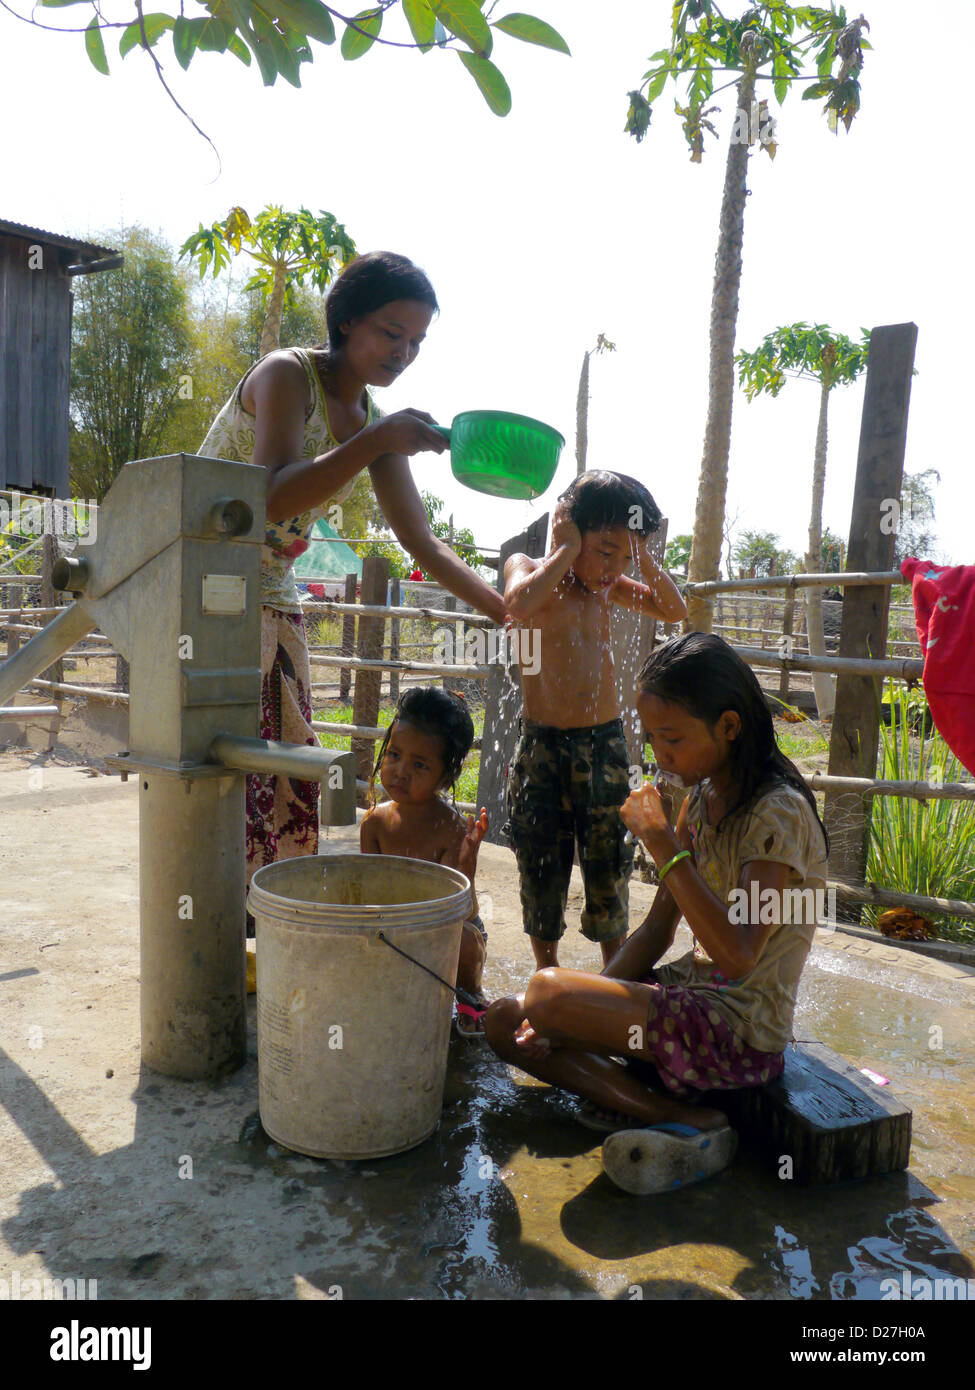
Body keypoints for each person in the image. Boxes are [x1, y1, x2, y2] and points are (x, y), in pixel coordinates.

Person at [198, 251, 507, 903]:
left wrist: (502, 608)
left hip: (272, 594)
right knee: (224, 760)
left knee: (289, 766)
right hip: (201, 579)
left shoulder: (370, 421)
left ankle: (265, 912)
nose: (404, 352)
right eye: (391, 334)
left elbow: (419, 537)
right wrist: (377, 441)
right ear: (345, 322)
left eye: (417, 341)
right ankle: (214, 904)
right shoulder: (289, 375)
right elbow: (271, 499)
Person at [485, 632, 831, 1195]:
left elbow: (740, 956)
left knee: (547, 994)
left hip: (738, 1031)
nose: (659, 754)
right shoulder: (704, 797)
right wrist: (569, 1015)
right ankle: (657, 1111)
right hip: (688, 1006)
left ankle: (693, 1121)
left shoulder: (778, 815)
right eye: (651, 737)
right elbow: (654, 930)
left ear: (729, 726)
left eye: (672, 739)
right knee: (507, 1019)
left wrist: (664, 845)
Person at [502, 471, 687, 971]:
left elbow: (673, 609)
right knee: (541, 861)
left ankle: (615, 976)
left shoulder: (608, 588)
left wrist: (642, 558)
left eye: (624, 557)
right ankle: (548, 976)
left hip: (604, 745)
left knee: (609, 862)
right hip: (541, 745)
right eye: (604, 552)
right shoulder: (528, 568)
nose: (612, 569)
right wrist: (564, 551)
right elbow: (517, 605)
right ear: (570, 530)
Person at [361, 687, 490, 1038]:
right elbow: (367, 891)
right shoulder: (374, 823)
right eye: (394, 755)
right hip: (396, 923)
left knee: (464, 937)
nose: (400, 771)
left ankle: (471, 995)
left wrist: (468, 859)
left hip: (446, 928)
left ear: (445, 778)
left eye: (419, 764)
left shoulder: (450, 830)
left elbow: (461, 909)